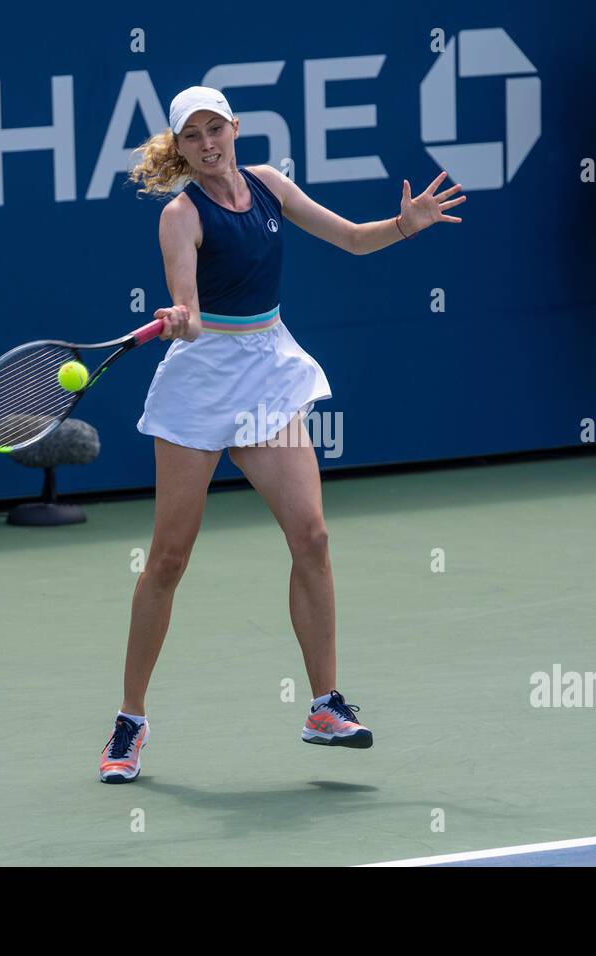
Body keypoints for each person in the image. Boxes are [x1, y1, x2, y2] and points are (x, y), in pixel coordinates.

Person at [97, 85, 467, 783]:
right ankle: (130, 720)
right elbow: (193, 312)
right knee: (169, 558)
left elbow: (355, 240)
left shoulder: (268, 185)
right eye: (194, 136)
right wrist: (179, 318)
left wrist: (405, 223)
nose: (209, 144)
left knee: (313, 535)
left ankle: (325, 705)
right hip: (203, 380)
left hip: (268, 369)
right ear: (179, 147)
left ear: (235, 129)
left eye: (217, 129)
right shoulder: (180, 216)